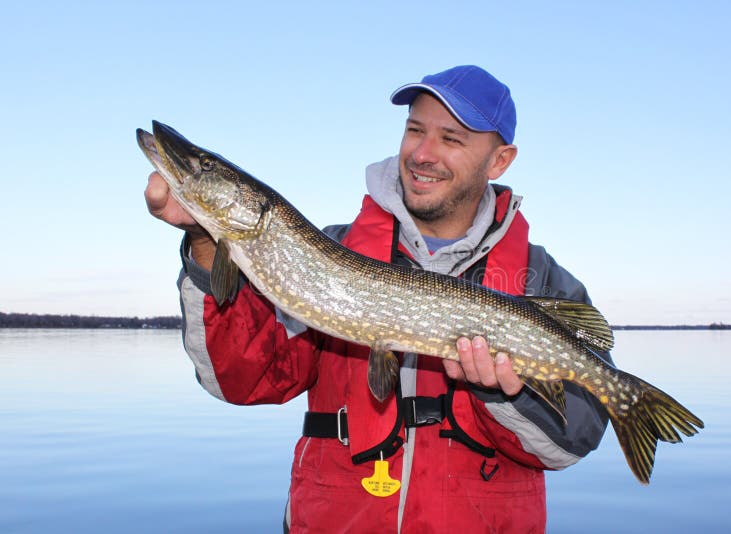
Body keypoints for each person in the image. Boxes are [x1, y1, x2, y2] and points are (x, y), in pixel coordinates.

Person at [145, 65, 612, 533]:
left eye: (451, 139)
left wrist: (503, 392)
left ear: (499, 161)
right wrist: (204, 243)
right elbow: (243, 380)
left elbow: (570, 444)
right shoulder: (332, 250)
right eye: (415, 130)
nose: (423, 154)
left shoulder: (544, 282)